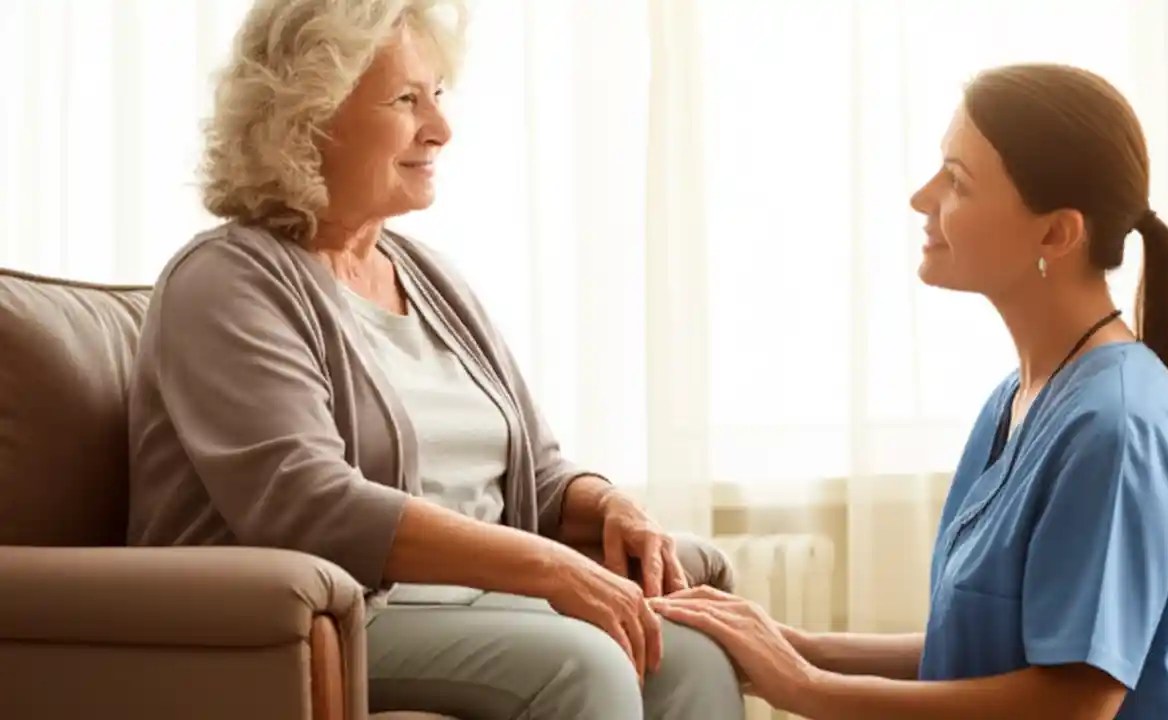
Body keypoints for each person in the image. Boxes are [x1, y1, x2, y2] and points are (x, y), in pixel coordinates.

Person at [125, 1, 744, 718]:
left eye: (438, 95)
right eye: (405, 100)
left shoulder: (427, 276)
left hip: (472, 603)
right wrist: (548, 565)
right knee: (585, 665)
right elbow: (305, 502)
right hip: (325, 617)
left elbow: (536, 474)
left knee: (692, 653)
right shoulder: (225, 282)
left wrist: (608, 505)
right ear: (306, 116)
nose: (441, 129)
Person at [652, 63, 1168, 719]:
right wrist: (794, 647)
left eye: (957, 182)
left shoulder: (1115, 429)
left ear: (1056, 233)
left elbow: (1073, 703)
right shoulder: (1019, 401)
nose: (922, 197)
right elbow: (988, 654)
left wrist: (803, 688)